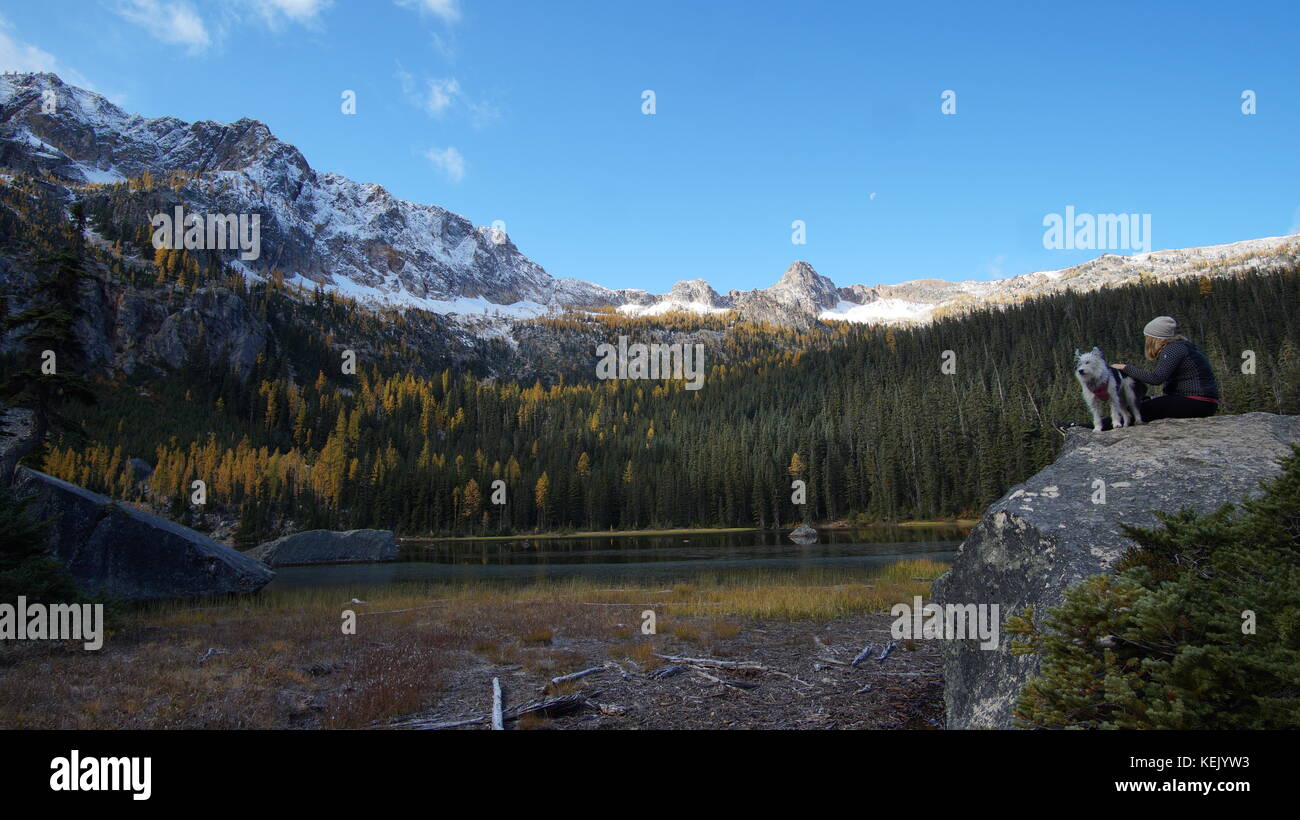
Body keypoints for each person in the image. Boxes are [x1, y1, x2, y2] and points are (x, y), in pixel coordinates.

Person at [1055, 316, 1221, 432]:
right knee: (1148, 403)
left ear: (1156, 338)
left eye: (1148, 337)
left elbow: (1156, 378)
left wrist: (1127, 368)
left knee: (1143, 408)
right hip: (1203, 401)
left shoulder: (1173, 349)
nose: (1146, 340)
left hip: (1196, 402)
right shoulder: (1182, 346)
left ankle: (1084, 428)